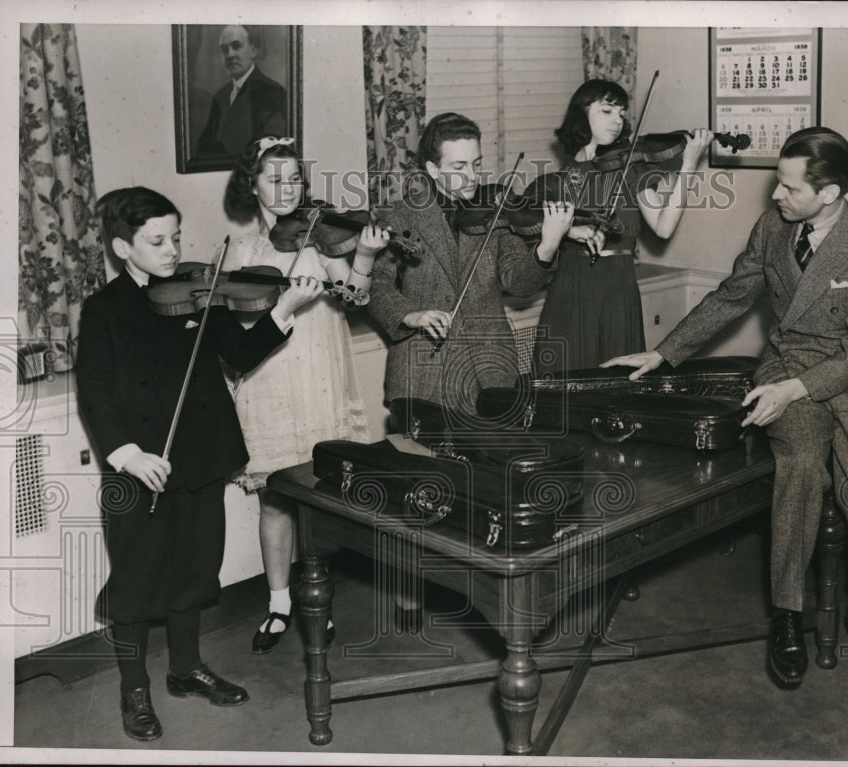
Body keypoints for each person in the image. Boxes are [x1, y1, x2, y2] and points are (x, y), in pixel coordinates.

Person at [602, 127, 848, 697]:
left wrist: (797, 388)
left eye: (790, 188)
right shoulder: (773, 228)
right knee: (798, 473)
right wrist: (666, 351)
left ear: (831, 191)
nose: (776, 196)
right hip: (784, 369)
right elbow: (732, 295)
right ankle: (788, 615)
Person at [77, 186, 322, 741]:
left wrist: (283, 310)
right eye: (156, 241)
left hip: (202, 456)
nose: (171, 250)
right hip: (140, 466)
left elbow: (238, 355)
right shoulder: (103, 310)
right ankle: (133, 688)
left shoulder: (200, 295)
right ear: (122, 247)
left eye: (176, 237)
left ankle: (185, 670)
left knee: (195, 570)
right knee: (136, 583)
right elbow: (94, 392)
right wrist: (127, 454)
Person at [222, 135, 384, 654]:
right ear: (252, 185)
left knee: (317, 496)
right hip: (271, 379)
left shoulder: (321, 237)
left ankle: (320, 601)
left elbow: (355, 297)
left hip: (320, 372)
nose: (287, 188)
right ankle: (278, 604)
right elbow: (239, 334)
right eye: (274, 178)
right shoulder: (240, 249)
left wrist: (363, 253)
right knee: (274, 499)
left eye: (295, 178)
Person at [368, 111, 576, 415]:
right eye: (459, 166)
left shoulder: (495, 210)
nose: (472, 176)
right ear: (433, 169)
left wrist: (548, 245)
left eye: (476, 164)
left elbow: (519, 283)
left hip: (489, 369)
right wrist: (411, 316)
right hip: (424, 371)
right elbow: (378, 286)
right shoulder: (400, 215)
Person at [532, 79, 714, 374]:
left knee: (614, 377)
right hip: (568, 289)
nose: (618, 120)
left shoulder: (632, 169)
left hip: (617, 288)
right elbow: (528, 229)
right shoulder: (559, 180)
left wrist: (689, 165)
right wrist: (567, 230)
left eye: (622, 112)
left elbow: (664, 227)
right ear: (581, 114)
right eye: (606, 111)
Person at [196, 25, 287, 157]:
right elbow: (203, 151)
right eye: (224, 49)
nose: (230, 55)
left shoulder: (273, 93)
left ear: (253, 51)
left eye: (236, 46)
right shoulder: (220, 97)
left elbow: (271, 153)